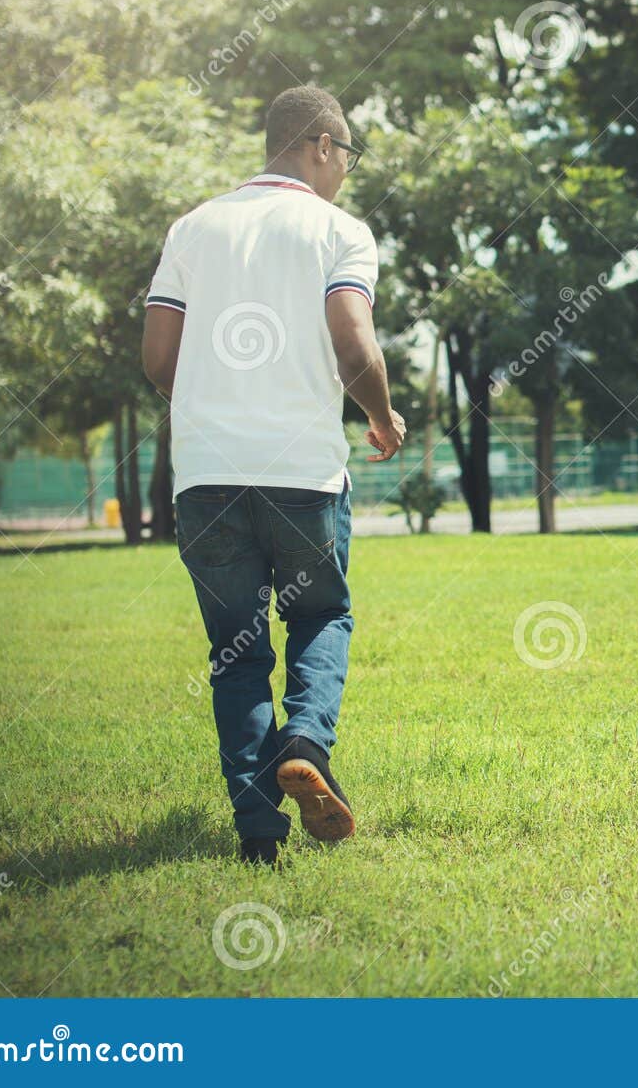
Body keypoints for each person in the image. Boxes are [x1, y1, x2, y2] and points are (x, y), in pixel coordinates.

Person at [141, 85, 406, 864]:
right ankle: (307, 746)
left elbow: (159, 361)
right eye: (347, 155)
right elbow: (355, 348)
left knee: (237, 650)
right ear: (322, 145)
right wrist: (383, 416)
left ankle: (259, 836)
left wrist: (215, 403)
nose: (346, 171)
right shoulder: (338, 230)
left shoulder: (192, 226)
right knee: (321, 615)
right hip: (302, 475)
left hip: (205, 477)